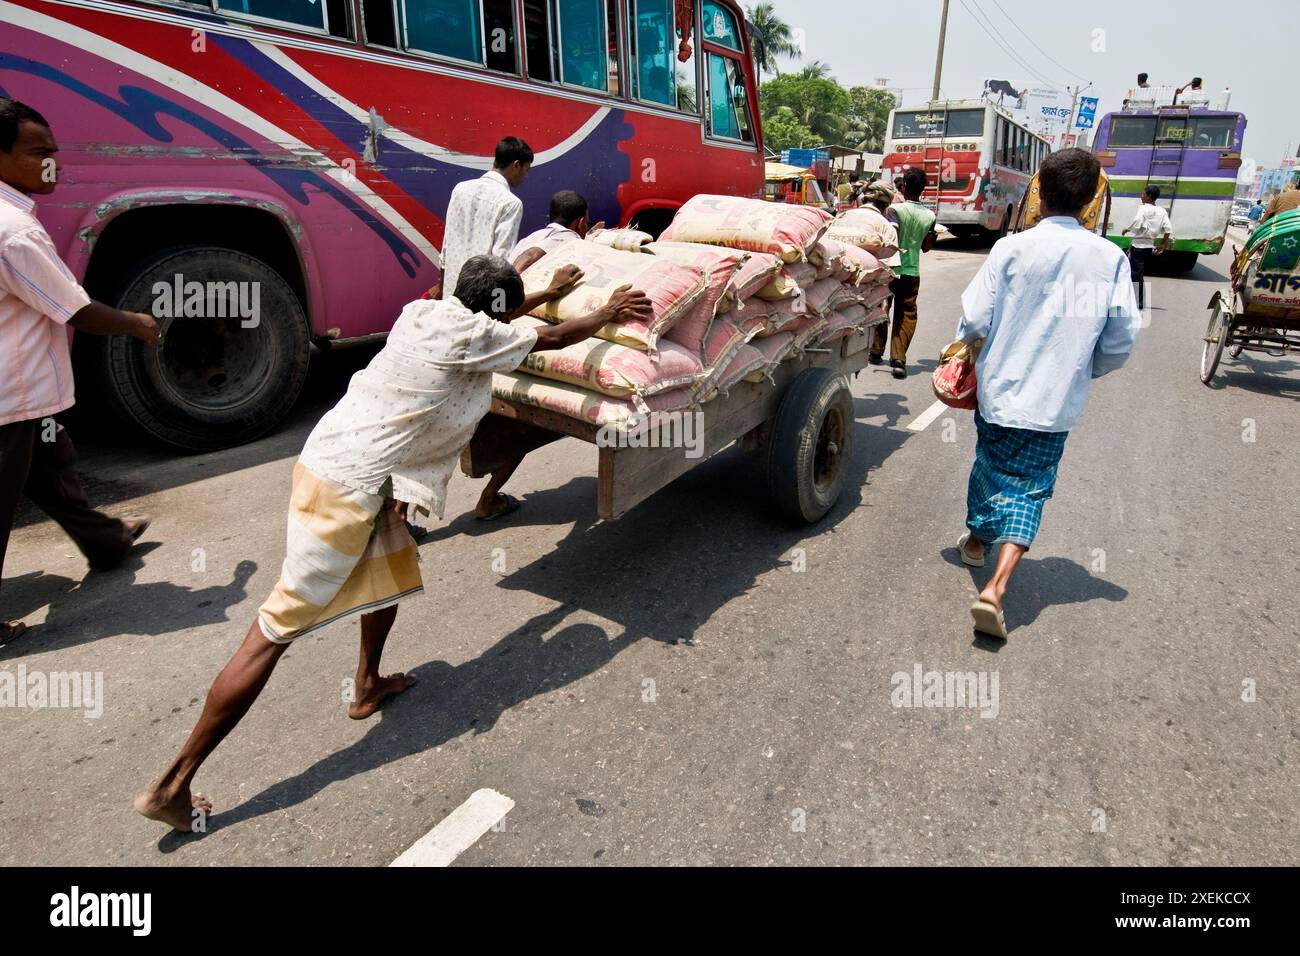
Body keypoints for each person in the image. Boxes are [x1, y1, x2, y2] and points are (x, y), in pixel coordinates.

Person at [134, 255, 652, 832]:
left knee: (392, 564)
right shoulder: (479, 335)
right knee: (271, 635)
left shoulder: (422, 311)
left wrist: (537, 286)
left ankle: (367, 683)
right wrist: (607, 310)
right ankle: (171, 784)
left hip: (346, 469)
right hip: (345, 491)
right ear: (496, 312)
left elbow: (504, 321)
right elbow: (550, 336)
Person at [953, 148, 1139, 639]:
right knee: (1031, 487)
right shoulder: (1110, 259)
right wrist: (1081, 369)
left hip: (1000, 391)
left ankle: (978, 545)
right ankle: (995, 582)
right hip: (1055, 402)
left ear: (1040, 188)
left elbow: (974, 319)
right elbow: (1120, 340)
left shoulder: (1011, 249)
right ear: (1092, 199)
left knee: (990, 467)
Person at [0, 98, 159, 646]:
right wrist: (137, 323)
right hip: (9, 395)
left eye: (53, 151)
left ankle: (106, 541)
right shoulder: (15, 231)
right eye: (38, 153)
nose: (54, 163)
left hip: (24, 397)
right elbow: (77, 310)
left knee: (51, 461)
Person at [439, 136, 533, 299]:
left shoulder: (460, 189)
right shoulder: (510, 203)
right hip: (480, 298)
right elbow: (500, 261)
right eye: (526, 170)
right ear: (516, 165)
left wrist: (442, 288)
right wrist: (500, 305)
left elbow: (446, 247)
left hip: (451, 291)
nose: (525, 176)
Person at [871, 166, 936, 378]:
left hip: (891, 267)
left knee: (882, 307)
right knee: (906, 314)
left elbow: (890, 239)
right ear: (922, 190)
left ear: (904, 186)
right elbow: (926, 248)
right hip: (912, 270)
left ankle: (875, 350)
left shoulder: (895, 211)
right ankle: (899, 359)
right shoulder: (929, 215)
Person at [1121, 185, 1171, 308]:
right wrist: (1163, 244)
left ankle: (1138, 301)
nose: (1141, 196)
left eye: (1143, 194)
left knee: (1135, 273)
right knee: (1138, 272)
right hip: (1149, 246)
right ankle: (1136, 299)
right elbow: (1168, 229)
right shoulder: (1162, 211)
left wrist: (1128, 229)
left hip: (1138, 245)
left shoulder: (1143, 208)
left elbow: (1137, 222)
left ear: (1149, 196)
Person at [508, 190, 589, 262]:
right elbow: (530, 255)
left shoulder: (527, 240)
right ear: (580, 223)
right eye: (587, 224)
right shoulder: (568, 237)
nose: (587, 228)